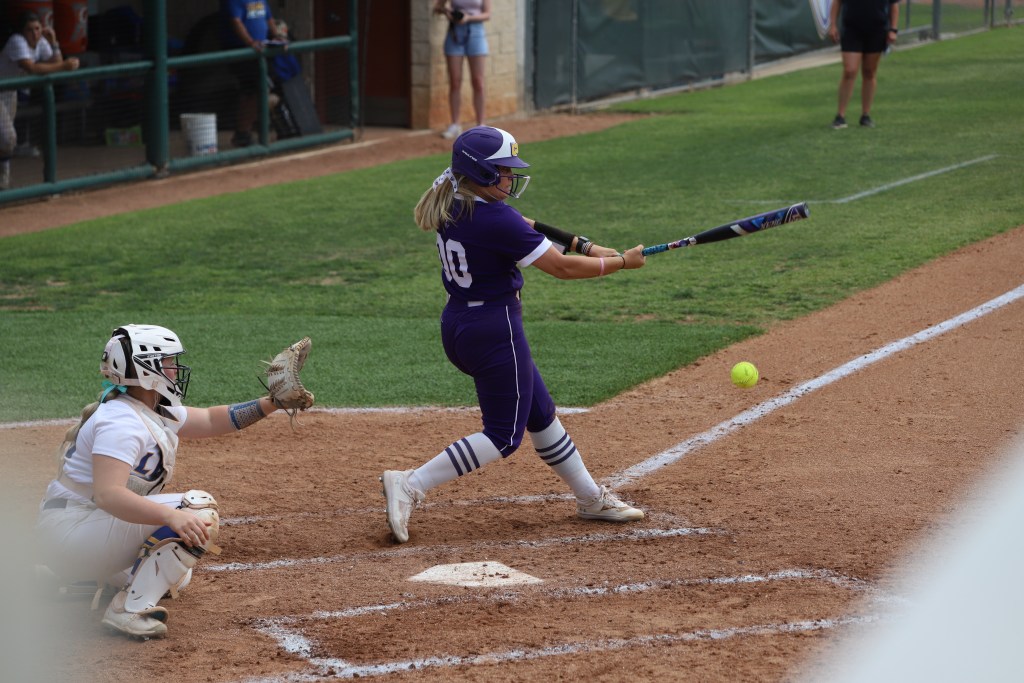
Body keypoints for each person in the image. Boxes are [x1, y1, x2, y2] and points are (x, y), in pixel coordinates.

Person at [381, 126, 648, 544]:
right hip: (494, 329)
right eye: (504, 171)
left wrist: (588, 246)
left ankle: (590, 497)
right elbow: (560, 268)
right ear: (483, 175)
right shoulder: (495, 217)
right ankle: (411, 483)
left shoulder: (454, 200)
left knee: (540, 413)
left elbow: (526, 225)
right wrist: (620, 264)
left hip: (459, 324)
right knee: (503, 435)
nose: (511, 178)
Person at [35, 324, 311, 639]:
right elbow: (108, 495)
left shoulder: (148, 409)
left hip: (83, 531)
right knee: (197, 510)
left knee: (174, 575)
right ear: (146, 368)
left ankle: (79, 580)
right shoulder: (121, 423)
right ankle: (127, 611)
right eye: (168, 361)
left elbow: (210, 419)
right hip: (73, 532)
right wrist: (171, 515)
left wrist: (272, 403)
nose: (175, 369)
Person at [0, 12, 79, 190]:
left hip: (9, 93)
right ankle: (3, 176)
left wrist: (54, 43)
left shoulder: (41, 40)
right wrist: (65, 66)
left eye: (37, 28)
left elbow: (54, 62)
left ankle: (3, 178)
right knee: (8, 137)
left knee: (5, 140)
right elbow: (32, 67)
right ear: (22, 32)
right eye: (30, 30)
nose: (35, 33)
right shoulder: (16, 41)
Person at [220, 0, 285, 147]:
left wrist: (277, 36)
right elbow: (236, 22)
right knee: (256, 91)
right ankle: (244, 133)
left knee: (255, 92)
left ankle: (244, 133)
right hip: (242, 52)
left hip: (260, 53)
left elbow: (269, 18)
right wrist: (250, 42)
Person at [828, 0, 900, 129]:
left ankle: (865, 115)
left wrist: (893, 29)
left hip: (877, 29)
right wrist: (832, 25)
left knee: (869, 72)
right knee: (850, 70)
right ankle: (840, 116)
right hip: (852, 29)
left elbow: (893, 4)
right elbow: (837, 2)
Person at [433, 0, 492, 139]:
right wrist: (447, 12)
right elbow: (437, 8)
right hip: (455, 34)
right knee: (455, 81)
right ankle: (455, 124)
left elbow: (487, 14)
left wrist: (468, 18)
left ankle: (481, 124)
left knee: (478, 81)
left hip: (476, 32)